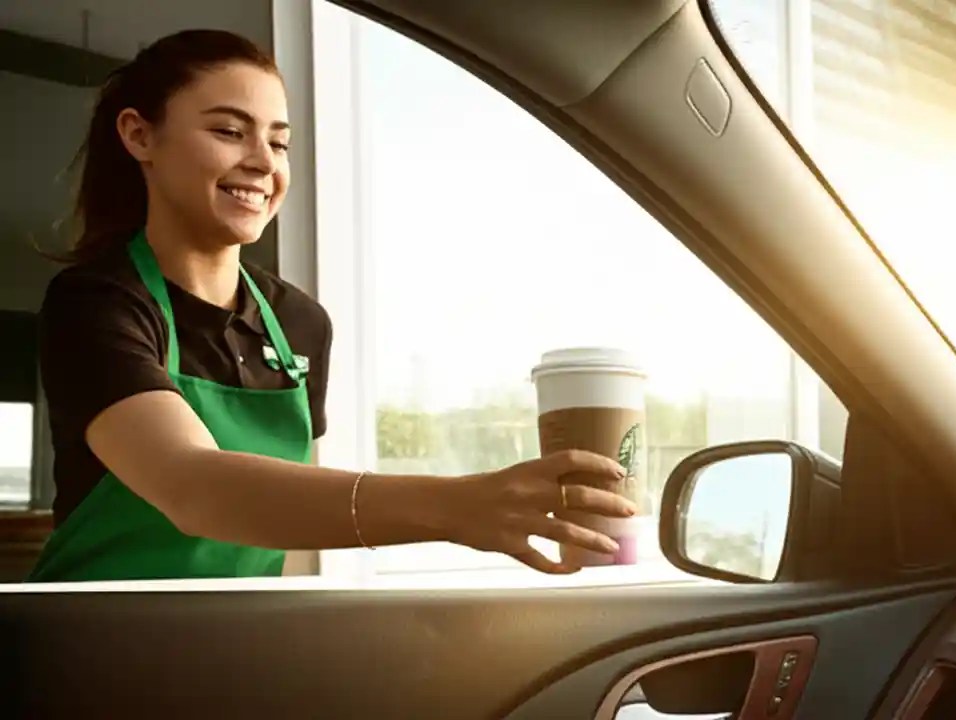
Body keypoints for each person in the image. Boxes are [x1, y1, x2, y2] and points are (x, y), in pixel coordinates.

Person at [26, 29, 635, 583]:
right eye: (229, 131)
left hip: (233, 645)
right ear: (139, 136)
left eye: (279, 141)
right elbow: (194, 488)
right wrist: (457, 506)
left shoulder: (300, 325)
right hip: (93, 644)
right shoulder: (98, 303)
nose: (264, 162)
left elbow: (287, 513)